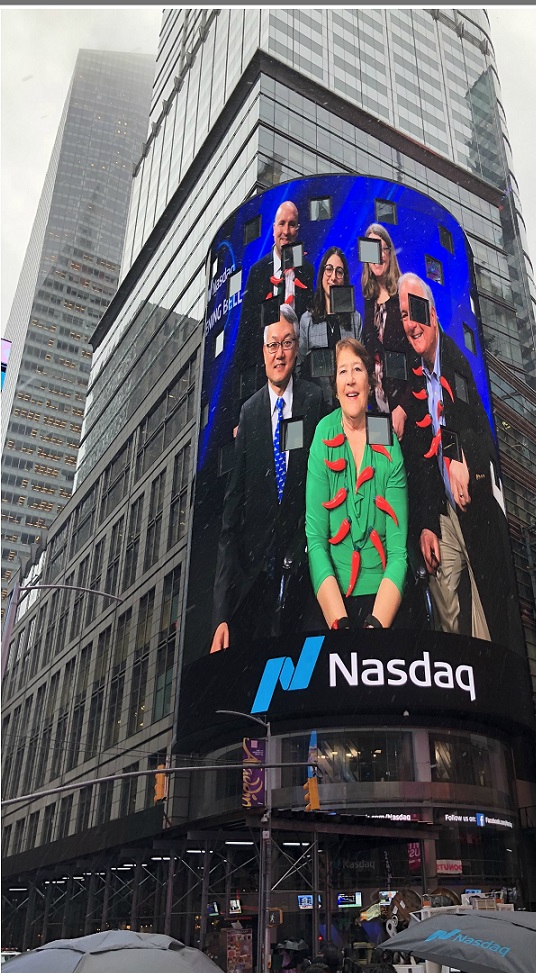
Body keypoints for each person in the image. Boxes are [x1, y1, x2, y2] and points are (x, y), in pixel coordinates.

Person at [210, 304, 324, 650]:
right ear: (263, 351)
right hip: (255, 587)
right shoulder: (249, 413)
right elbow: (231, 518)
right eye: (273, 345)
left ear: (297, 348)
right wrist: (221, 615)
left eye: (287, 343)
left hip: (305, 577)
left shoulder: (315, 401)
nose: (279, 353)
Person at [398, 272, 504, 642]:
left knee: (486, 620)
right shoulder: (415, 377)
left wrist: (458, 454)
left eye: (416, 311)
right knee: (445, 610)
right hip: (442, 509)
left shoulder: (456, 360)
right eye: (403, 315)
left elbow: (479, 432)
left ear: (432, 312)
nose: (411, 323)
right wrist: (427, 524)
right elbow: (421, 460)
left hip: (475, 509)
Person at [305, 338, 408, 629]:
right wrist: (341, 624)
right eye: (342, 371)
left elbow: (398, 552)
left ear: (369, 383)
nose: (350, 379)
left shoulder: (386, 437)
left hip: (384, 599)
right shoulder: (323, 434)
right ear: (336, 388)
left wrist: (375, 624)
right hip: (332, 600)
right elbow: (316, 540)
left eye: (358, 370)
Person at [234, 200, 316, 409]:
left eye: (291, 224)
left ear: (298, 230)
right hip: (265, 379)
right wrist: (239, 407)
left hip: (299, 376)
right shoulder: (258, 272)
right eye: (282, 224)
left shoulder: (307, 271)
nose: (286, 231)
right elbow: (245, 336)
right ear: (273, 229)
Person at [360, 223, 411, 438]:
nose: (378, 256)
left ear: (390, 253)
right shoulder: (368, 301)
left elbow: (418, 358)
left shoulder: (404, 294)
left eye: (382, 249)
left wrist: (404, 407)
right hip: (377, 409)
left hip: (404, 408)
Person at [298, 246, 362, 407]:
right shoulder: (307, 320)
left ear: (344, 279)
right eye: (329, 269)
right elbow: (298, 367)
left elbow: (362, 366)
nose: (333, 277)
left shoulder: (355, 319)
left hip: (349, 404)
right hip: (317, 407)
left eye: (339, 272)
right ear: (321, 274)